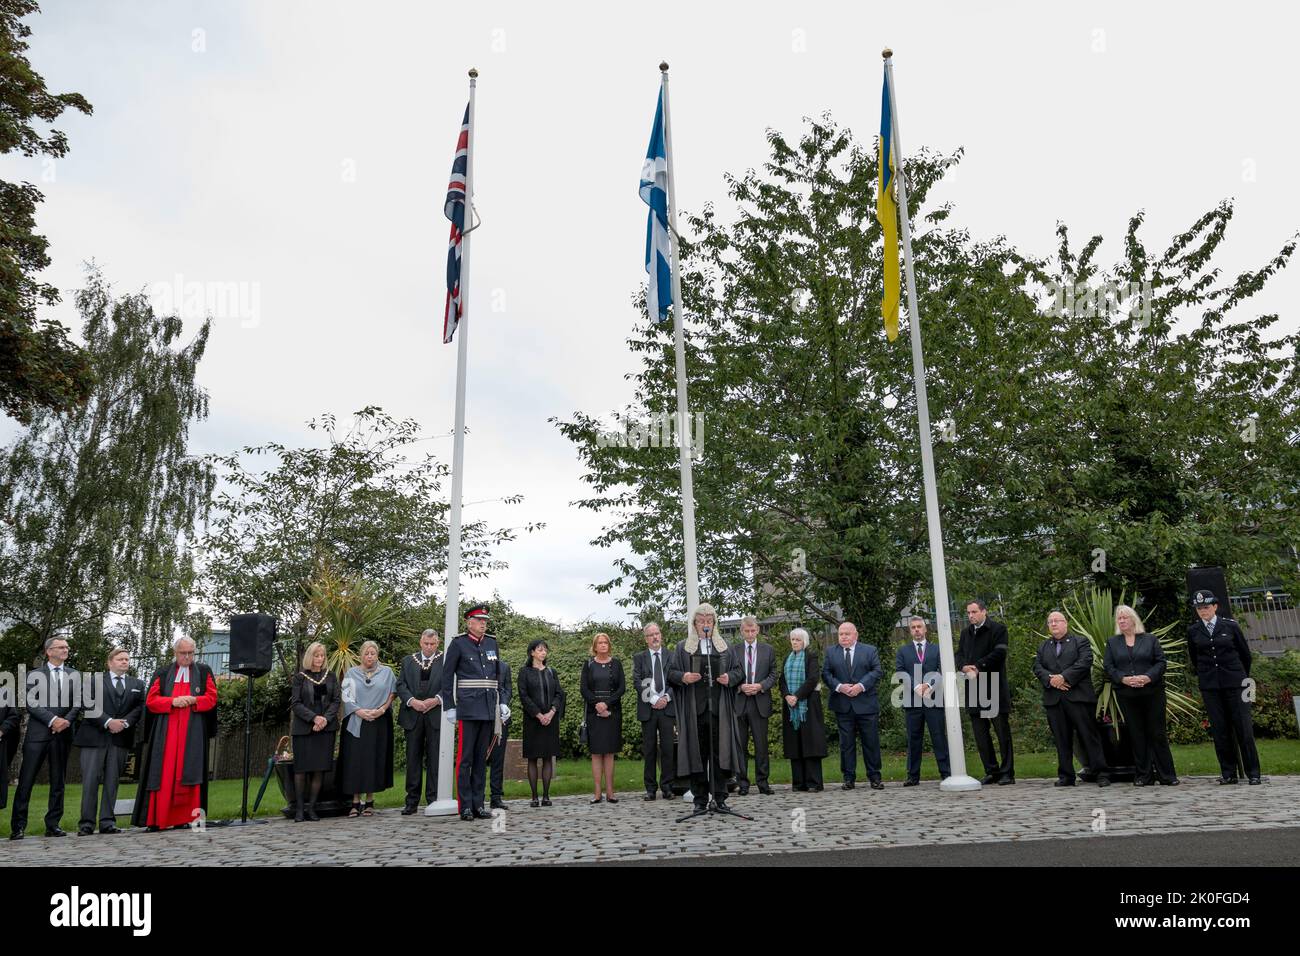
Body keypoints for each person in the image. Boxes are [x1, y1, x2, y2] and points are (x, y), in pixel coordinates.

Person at [131, 636, 219, 831]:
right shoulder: (162, 673)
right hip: (166, 733)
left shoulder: (204, 671)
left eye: (190, 653)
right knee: (164, 774)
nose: (187, 657)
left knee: (191, 773)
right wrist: (171, 702)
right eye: (183, 653)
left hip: (193, 731)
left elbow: (212, 698)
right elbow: (151, 701)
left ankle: (187, 818)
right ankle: (158, 819)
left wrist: (194, 700)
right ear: (175, 653)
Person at [436, 604, 510, 821]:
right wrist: (449, 705)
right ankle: (465, 806)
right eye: (479, 621)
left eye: (485, 621)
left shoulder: (491, 643)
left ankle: (479, 804)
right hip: (468, 709)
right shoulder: (458, 644)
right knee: (465, 759)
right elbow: (447, 676)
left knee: (480, 759)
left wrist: (502, 702)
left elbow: (498, 678)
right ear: (469, 622)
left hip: (488, 708)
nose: (483, 624)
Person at [669, 603, 742, 812]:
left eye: (709, 621)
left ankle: (720, 797)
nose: (705, 625)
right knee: (697, 755)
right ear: (695, 623)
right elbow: (671, 673)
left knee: (720, 755)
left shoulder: (724, 646)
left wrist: (730, 677)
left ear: (714, 623)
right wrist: (684, 676)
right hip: (695, 710)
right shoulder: (683, 647)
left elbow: (739, 671)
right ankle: (700, 800)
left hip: (719, 708)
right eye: (701, 621)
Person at [1187, 590, 1261, 785]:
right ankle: (1229, 773)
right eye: (1199, 608)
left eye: (1206, 607)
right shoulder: (1193, 631)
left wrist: (1240, 677)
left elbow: (1245, 655)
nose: (1203, 611)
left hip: (1236, 684)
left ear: (1215, 607)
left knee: (1243, 728)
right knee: (1220, 729)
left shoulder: (1230, 626)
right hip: (1211, 686)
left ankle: (1253, 772)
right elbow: (1195, 658)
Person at [10, 637, 80, 839]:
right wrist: (52, 720)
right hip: (38, 735)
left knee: (58, 782)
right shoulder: (32, 675)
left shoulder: (74, 675)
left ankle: (53, 824)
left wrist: (65, 721)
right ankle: (18, 826)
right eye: (61, 647)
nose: (66, 649)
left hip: (63, 734)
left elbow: (78, 702)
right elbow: (29, 702)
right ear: (49, 651)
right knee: (26, 780)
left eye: (67, 646)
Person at [1033, 611, 1110, 787]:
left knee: (1088, 736)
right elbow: (1037, 667)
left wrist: (1064, 677)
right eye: (1050, 622)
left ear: (1065, 623)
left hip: (1078, 698)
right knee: (1061, 739)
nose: (1053, 624)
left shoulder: (1080, 642)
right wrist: (1052, 680)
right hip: (1054, 700)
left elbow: (1084, 662)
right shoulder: (1044, 646)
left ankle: (1101, 773)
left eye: (1057, 621)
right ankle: (1066, 776)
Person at [1104, 605, 1177, 787]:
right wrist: (1124, 679)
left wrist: (1147, 677)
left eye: (1124, 618)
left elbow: (1161, 662)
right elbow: (1109, 666)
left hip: (1152, 693)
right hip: (1127, 694)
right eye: (1119, 619)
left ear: (1133, 619)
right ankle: (1143, 775)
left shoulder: (1150, 640)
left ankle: (1167, 775)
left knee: (1157, 733)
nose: (1121, 621)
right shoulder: (1113, 642)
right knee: (1137, 734)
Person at [73, 647, 144, 835]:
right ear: (110, 662)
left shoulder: (137, 683)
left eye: (127, 659)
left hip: (121, 738)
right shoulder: (93, 681)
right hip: (94, 737)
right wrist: (108, 722)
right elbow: (87, 704)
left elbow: (139, 708)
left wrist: (124, 723)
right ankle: (86, 823)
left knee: (112, 781)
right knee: (90, 781)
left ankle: (107, 822)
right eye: (120, 659)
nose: (125, 662)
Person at [956, 598, 1014, 784]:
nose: (970, 616)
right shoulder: (966, 633)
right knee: (980, 733)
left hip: (993, 685)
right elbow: (959, 655)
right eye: (968, 613)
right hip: (973, 688)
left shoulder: (998, 629)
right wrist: (964, 667)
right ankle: (991, 770)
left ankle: (1007, 772)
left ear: (984, 611)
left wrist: (978, 666)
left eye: (974, 612)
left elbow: (1000, 653)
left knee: (1001, 731)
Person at [823, 621, 884, 790]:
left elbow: (877, 671)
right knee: (846, 743)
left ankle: (875, 777)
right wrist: (839, 687)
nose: (843, 637)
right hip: (842, 705)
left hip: (866, 704)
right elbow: (826, 674)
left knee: (870, 742)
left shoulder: (869, 650)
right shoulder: (831, 652)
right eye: (841, 634)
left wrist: (860, 686)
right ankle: (848, 777)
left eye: (847, 634)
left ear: (855, 635)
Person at [338, 640, 396, 818]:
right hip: (356, 721)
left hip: (379, 721)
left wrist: (382, 709)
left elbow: (392, 692)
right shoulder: (351, 673)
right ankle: (355, 801)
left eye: (373, 653)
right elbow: (346, 697)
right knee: (355, 761)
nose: (369, 656)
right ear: (360, 655)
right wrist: (359, 711)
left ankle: (370, 801)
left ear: (377, 654)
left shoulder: (387, 672)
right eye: (366, 653)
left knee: (373, 760)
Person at [895, 616, 951, 786]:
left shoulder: (937, 649)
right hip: (913, 701)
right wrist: (916, 687)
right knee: (914, 738)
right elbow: (900, 672)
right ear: (910, 630)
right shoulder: (903, 651)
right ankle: (913, 776)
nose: (917, 630)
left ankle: (946, 773)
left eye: (919, 626)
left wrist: (928, 684)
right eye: (913, 627)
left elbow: (942, 669)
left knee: (939, 737)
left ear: (925, 629)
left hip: (933, 699)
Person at [290, 641, 340, 821]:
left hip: (326, 729)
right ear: (310, 657)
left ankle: (312, 808)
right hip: (304, 729)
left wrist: (325, 719)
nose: (319, 659)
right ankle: (299, 810)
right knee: (301, 770)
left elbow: (336, 701)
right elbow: (295, 703)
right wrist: (314, 718)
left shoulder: (331, 676)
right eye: (316, 656)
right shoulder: (300, 678)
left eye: (322, 656)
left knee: (319, 770)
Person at [727, 615, 777, 795]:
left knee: (761, 744)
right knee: (740, 745)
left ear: (758, 631)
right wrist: (740, 686)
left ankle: (763, 783)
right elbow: (730, 674)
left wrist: (760, 686)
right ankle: (743, 783)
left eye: (752, 630)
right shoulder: (733, 650)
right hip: (740, 701)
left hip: (760, 701)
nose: (749, 634)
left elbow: (773, 674)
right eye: (746, 631)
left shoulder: (768, 650)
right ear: (741, 631)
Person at [396, 629, 443, 814]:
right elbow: (401, 685)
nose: (429, 647)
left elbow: (450, 684)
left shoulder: (445, 660)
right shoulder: (408, 661)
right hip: (413, 715)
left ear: (437, 643)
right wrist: (412, 701)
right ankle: (412, 801)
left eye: (432, 644)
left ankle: (433, 798)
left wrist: (436, 699)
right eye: (426, 643)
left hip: (435, 715)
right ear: (420, 642)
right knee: (413, 758)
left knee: (435, 759)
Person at [518, 639, 565, 807]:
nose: (543, 652)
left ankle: (546, 795)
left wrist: (552, 712)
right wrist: (538, 715)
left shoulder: (552, 672)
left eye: (545, 649)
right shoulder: (524, 672)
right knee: (532, 758)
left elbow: (559, 694)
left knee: (547, 757)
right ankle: (534, 797)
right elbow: (524, 696)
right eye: (540, 649)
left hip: (550, 720)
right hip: (533, 720)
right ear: (532, 652)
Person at [632, 622, 676, 800]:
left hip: (667, 708)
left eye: (657, 633)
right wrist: (654, 698)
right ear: (646, 639)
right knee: (649, 750)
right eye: (651, 635)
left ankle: (667, 787)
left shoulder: (671, 656)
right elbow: (637, 680)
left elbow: (675, 680)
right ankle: (650, 789)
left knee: (668, 749)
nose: (655, 637)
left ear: (661, 635)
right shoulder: (639, 657)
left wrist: (665, 698)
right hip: (648, 708)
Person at [780, 627, 826, 792]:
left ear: (804, 641)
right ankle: (799, 783)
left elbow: (813, 679)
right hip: (791, 708)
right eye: (792, 639)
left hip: (808, 706)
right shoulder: (787, 658)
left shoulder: (811, 657)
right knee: (795, 745)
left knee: (810, 744)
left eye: (798, 640)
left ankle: (814, 782)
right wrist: (787, 696)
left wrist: (797, 696)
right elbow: (782, 680)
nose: (794, 642)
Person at [581, 632, 625, 803]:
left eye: (605, 642)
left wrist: (607, 705)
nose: (603, 645)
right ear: (595, 646)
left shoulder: (617, 664)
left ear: (609, 645)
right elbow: (584, 689)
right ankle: (597, 793)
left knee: (609, 753)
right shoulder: (589, 664)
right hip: (594, 714)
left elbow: (621, 688)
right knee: (596, 753)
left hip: (612, 712)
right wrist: (597, 705)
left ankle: (611, 792)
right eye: (600, 643)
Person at [489, 656, 514, 811]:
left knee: (498, 759)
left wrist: (503, 703)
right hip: (481, 716)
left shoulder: (504, 667)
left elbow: (507, 688)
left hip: (500, 718)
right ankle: (475, 796)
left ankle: (496, 796)